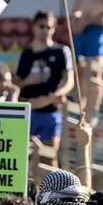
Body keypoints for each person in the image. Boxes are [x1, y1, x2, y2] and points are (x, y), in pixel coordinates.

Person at [17, 11, 74, 152]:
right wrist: (28, 81)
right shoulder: (26, 54)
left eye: (49, 27)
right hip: (29, 112)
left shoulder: (61, 51)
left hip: (51, 111)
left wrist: (53, 97)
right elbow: (16, 84)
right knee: (26, 156)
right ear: (34, 27)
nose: (45, 30)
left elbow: (69, 81)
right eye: (41, 26)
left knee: (49, 156)